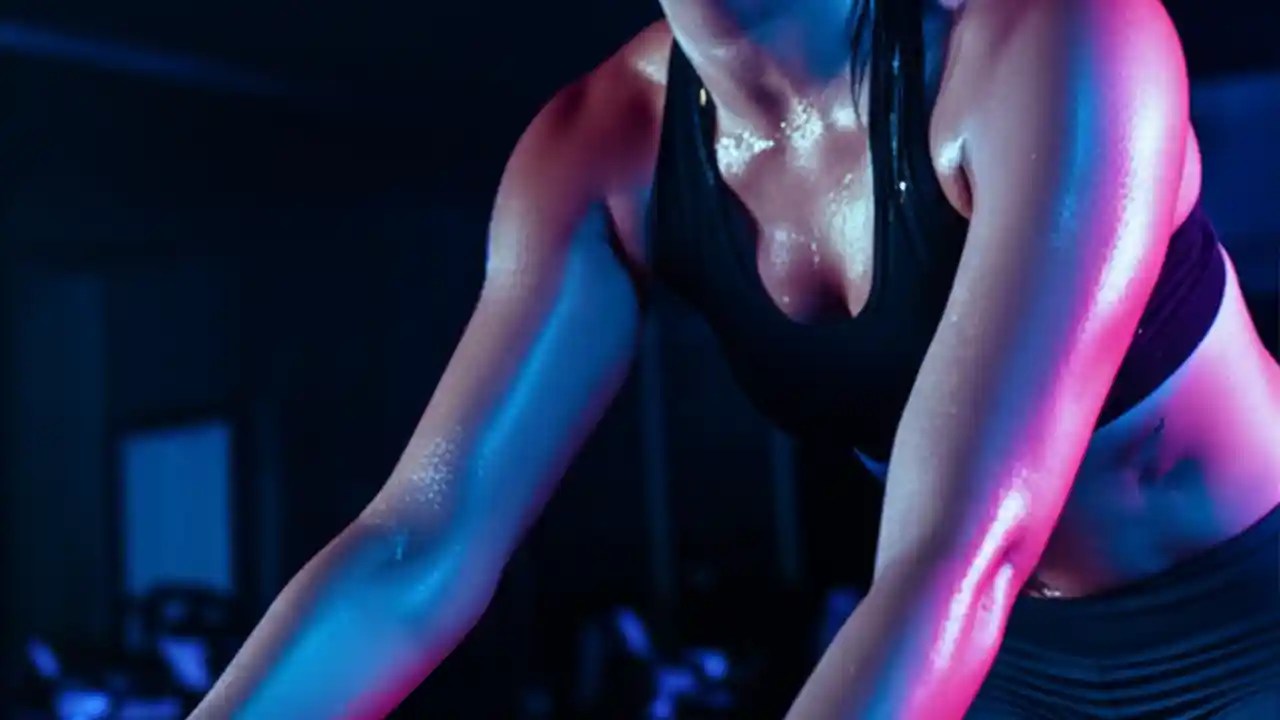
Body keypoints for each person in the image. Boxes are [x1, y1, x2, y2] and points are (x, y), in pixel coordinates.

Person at [191, 0, 1280, 716]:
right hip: (1007, 663)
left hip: (1251, 621)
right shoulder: (600, 148)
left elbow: (960, 549)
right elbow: (410, 552)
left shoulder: (1052, 39)